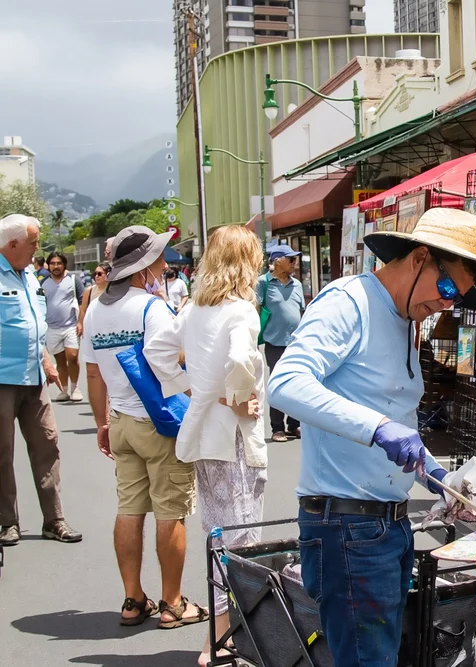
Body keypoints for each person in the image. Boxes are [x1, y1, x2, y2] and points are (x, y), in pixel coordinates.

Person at [268, 208, 476, 666]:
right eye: (445, 290)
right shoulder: (349, 301)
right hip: (347, 526)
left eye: (454, 299)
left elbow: (397, 424)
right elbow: (285, 384)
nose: (446, 305)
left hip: (385, 528)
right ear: (420, 257)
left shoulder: (404, 322)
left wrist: (439, 478)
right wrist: (378, 428)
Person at [146, 225, 267, 666]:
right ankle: (223, 637)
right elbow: (238, 360)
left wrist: (192, 386)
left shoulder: (194, 308)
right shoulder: (241, 311)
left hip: (202, 433)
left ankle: (224, 634)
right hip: (233, 435)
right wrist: (236, 395)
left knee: (218, 534)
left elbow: (156, 350)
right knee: (241, 537)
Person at [81, 225, 209, 629]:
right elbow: (170, 363)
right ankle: (172, 603)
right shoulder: (152, 308)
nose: (163, 264)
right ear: (142, 267)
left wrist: (102, 423)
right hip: (159, 423)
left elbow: (93, 375)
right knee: (171, 511)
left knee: (129, 509)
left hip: (118, 420)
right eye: (158, 258)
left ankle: (133, 600)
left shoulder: (97, 309)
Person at [0, 214, 83, 546]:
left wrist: (47, 361)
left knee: (48, 445)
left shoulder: (32, 276)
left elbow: (34, 326)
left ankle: (54, 519)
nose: (39, 248)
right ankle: (7, 522)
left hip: (34, 377)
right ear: (13, 244)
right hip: (3, 380)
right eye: (34, 242)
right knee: (2, 453)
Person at [257, 243, 305, 443]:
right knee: (278, 384)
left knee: (297, 383)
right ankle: (277, 427)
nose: (295, 263)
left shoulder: (297, 284)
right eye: (291, 259)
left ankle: (294, 424)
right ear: (277, 261)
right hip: (274, 342)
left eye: (295, 259)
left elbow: (301, 312)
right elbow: (256, 309)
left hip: (296, 343)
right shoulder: (263, 283)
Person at [41, 252, 85, 402]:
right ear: (48, 266)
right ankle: (64, 390)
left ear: (64, 264)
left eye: (59, 263)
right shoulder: (43, 283)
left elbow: (82, 302)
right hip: (52, 328)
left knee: (72, 357)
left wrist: (80, 322)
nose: (56, 266)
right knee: (60, 360)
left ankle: (75, 388)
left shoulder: (73, 280)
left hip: (70, 326)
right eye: (52, 263)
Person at [77, 262, 110, 339]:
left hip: (108, 327)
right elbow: (83, 310)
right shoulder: (89, 291)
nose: (96, 276)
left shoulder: (113, 291)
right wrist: (81, 324)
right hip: (92, 328)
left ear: (108, 274)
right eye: (95, 274)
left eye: (99, 274)